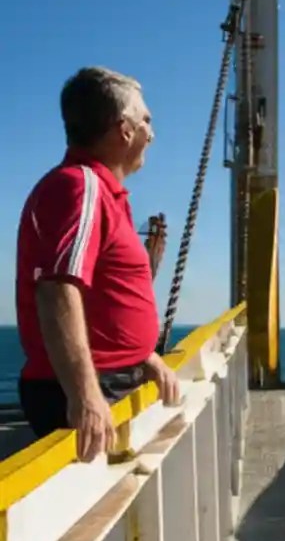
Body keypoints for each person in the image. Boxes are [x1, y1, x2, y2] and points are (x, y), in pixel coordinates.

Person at [13, 66, 180, 464]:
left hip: (109, 379)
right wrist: (85, 395)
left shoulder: (103, 192)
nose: (151, 133)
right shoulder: (82, 186)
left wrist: (145, 356)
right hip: (89, 388)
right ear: (124, 129)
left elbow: (105, 294)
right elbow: (58, 289)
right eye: (146, 121)